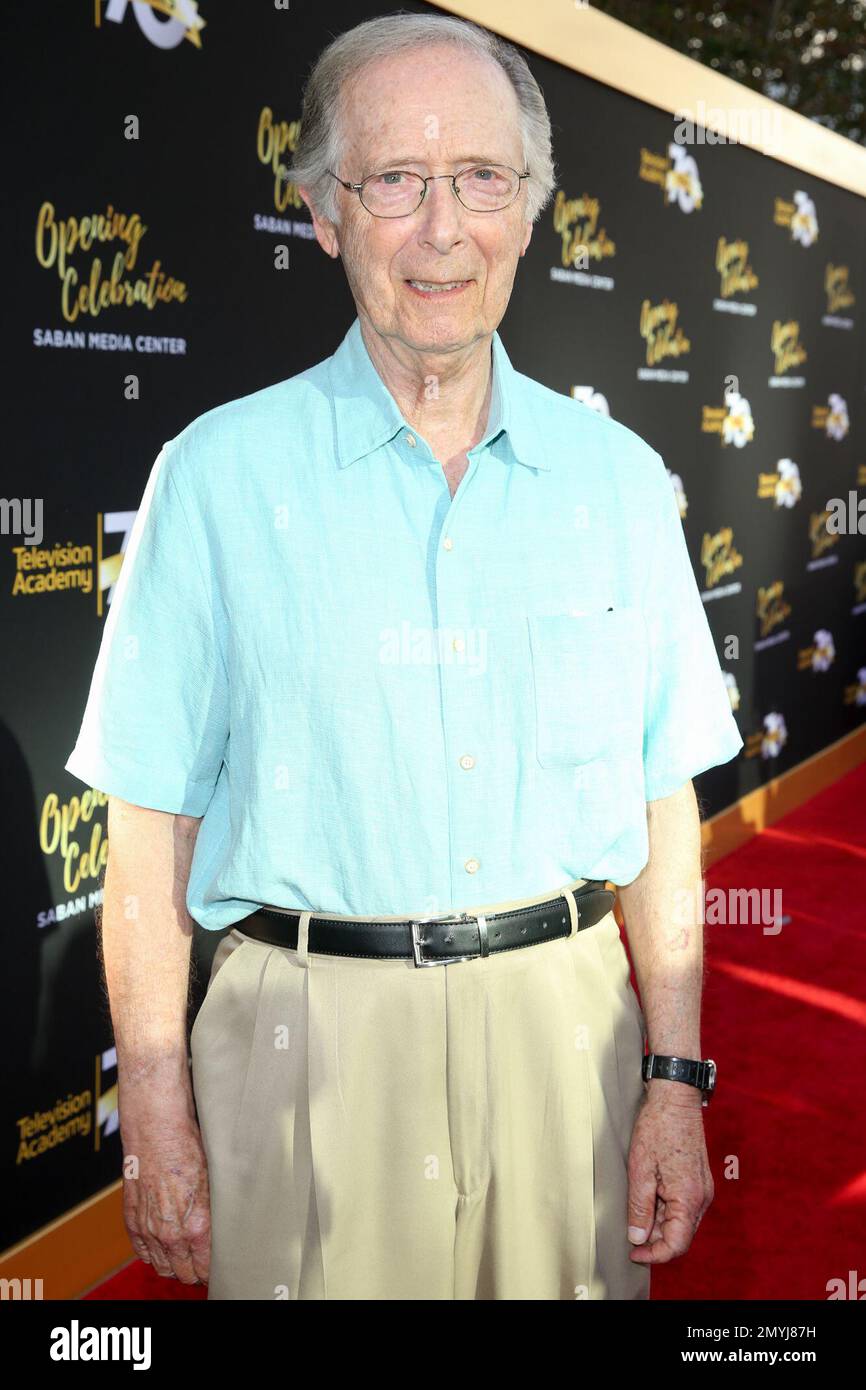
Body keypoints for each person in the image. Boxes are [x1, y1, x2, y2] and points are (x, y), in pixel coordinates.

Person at [65, 11, 742, 1300]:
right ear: (324, 213)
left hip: (570, 1040)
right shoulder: (212, 479)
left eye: (483, 178)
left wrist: (673, 1077)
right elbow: (148, 825)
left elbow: (664, 805)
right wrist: (151, 1106)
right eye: (396, 182)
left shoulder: (620, 487)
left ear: (533, 211)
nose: (445, 228)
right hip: (304, 1050)